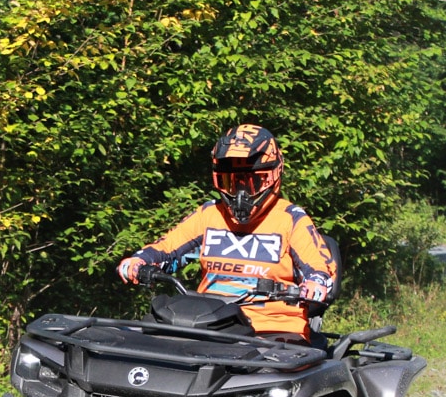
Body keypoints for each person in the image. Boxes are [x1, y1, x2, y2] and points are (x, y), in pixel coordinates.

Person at [116, 124, 339, 341]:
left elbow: (321, 268)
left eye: (252, 182)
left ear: (273, 176)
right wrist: (140, 260)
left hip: (272, 330)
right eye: (231, 183)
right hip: (211, 325)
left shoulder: (291, 219)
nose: (241, 194)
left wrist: (315, 283)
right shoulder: (209, 214)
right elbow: (166, 249)